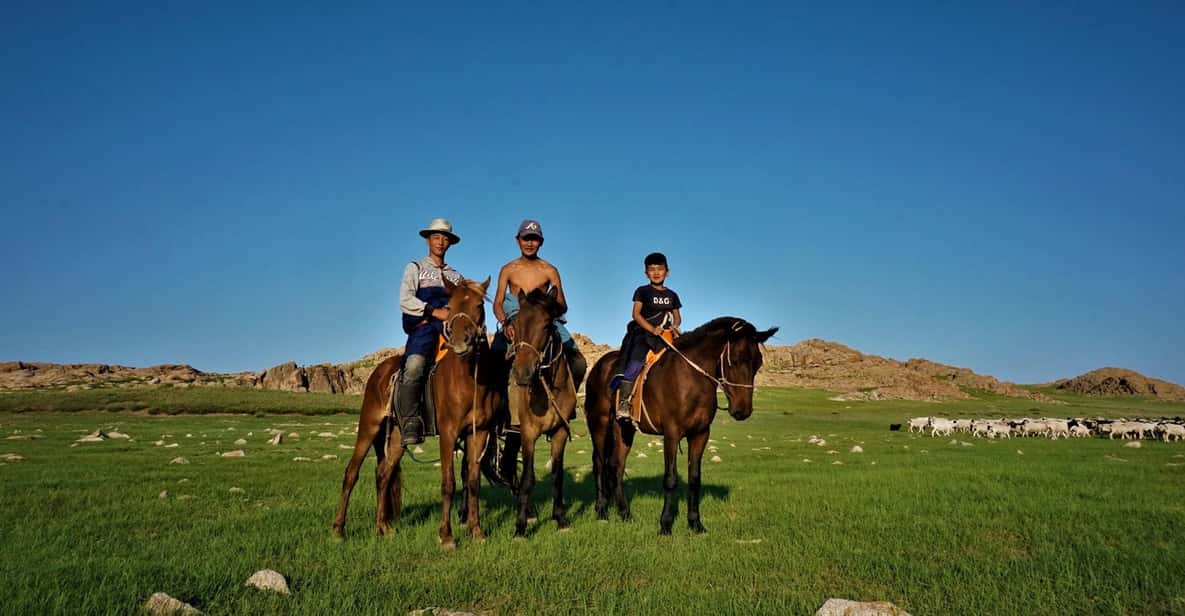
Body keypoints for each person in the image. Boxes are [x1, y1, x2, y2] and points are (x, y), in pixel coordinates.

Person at [493, 219, 588, 394]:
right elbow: (498, 303)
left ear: (541, 242)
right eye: (525, 238)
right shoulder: (508, 269)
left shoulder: (549, 270)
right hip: (515, 317)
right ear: (518, 240)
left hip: (543, 318)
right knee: (494, 358)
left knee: (578, 361)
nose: (529, 243)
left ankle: (567, 401)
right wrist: (505, 323)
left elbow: (562, 304)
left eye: (534, 239)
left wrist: (548, 309)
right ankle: (499, 409)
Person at [396, 218, 463, 447]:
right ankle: (410, 420)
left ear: (450, 243)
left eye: (445, 238)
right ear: (428, 240)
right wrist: (434, 311)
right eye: (436, 237)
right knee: (414, 366)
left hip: (449, 330)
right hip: (424, 327)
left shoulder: (456, 276)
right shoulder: (415, 267)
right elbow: (405, 300)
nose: (441, 242)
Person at [614, 252, 682, 421]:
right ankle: (624, 402)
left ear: (668, 271)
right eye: (652, 270)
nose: (656, 273)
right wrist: (652, 330)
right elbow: (636, 315)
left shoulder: (672, 295)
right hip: (644, 335)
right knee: (635, 364)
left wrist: (674, 326)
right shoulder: (642, 291)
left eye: (660, 269)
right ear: (646, 273)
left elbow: (677, 317)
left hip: (665, 336)